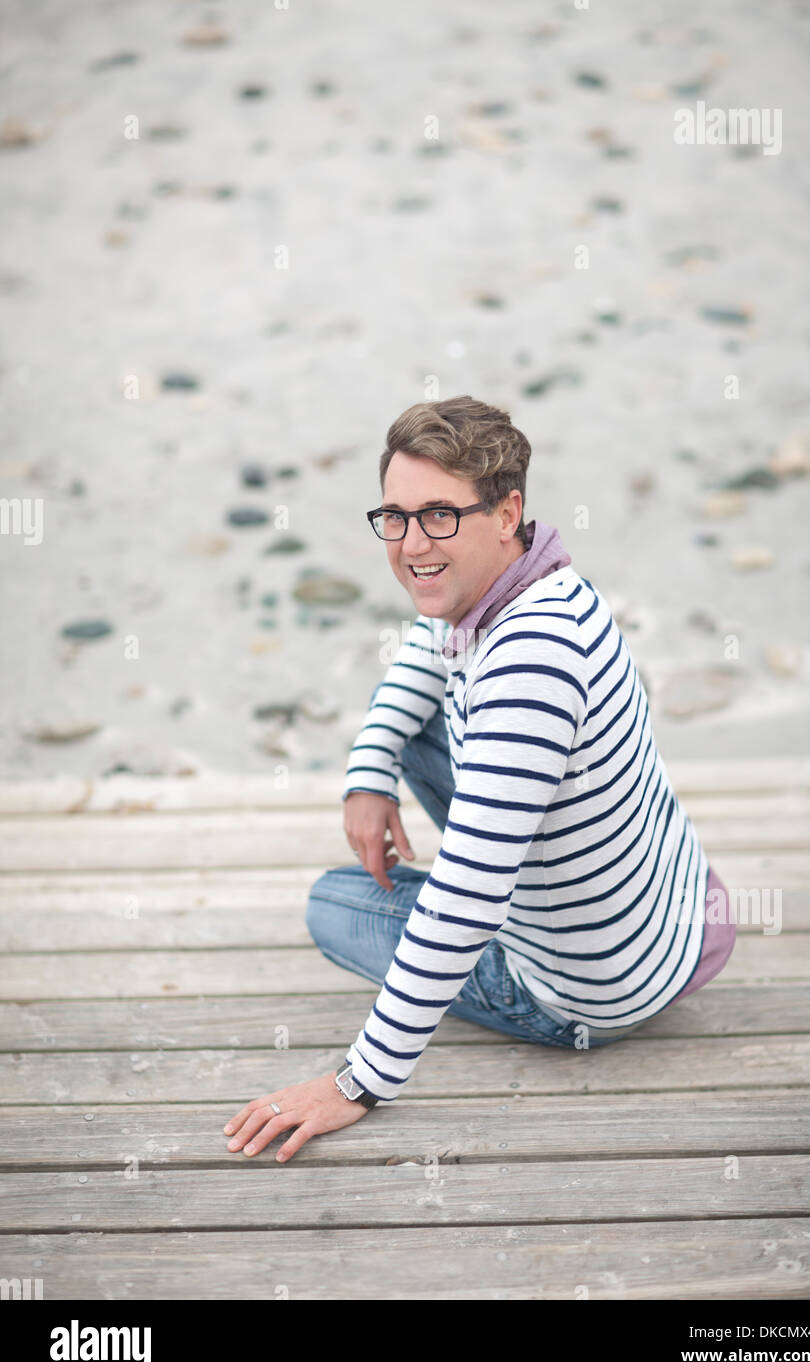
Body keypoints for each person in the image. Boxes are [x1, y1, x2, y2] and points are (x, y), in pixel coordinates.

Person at [224, 395, 735, 1163]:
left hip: (588, 995)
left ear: (507, 512)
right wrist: (370, 773)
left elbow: (467, 896)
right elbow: (430, 640)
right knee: (418, 717)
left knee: (331, 904)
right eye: (393, 517)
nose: (410, 544)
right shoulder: (537, 583)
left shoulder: (530, 661)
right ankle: (502, 846)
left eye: (438, 516)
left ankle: (524, 958)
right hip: (681, 920)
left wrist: (357, 1082)